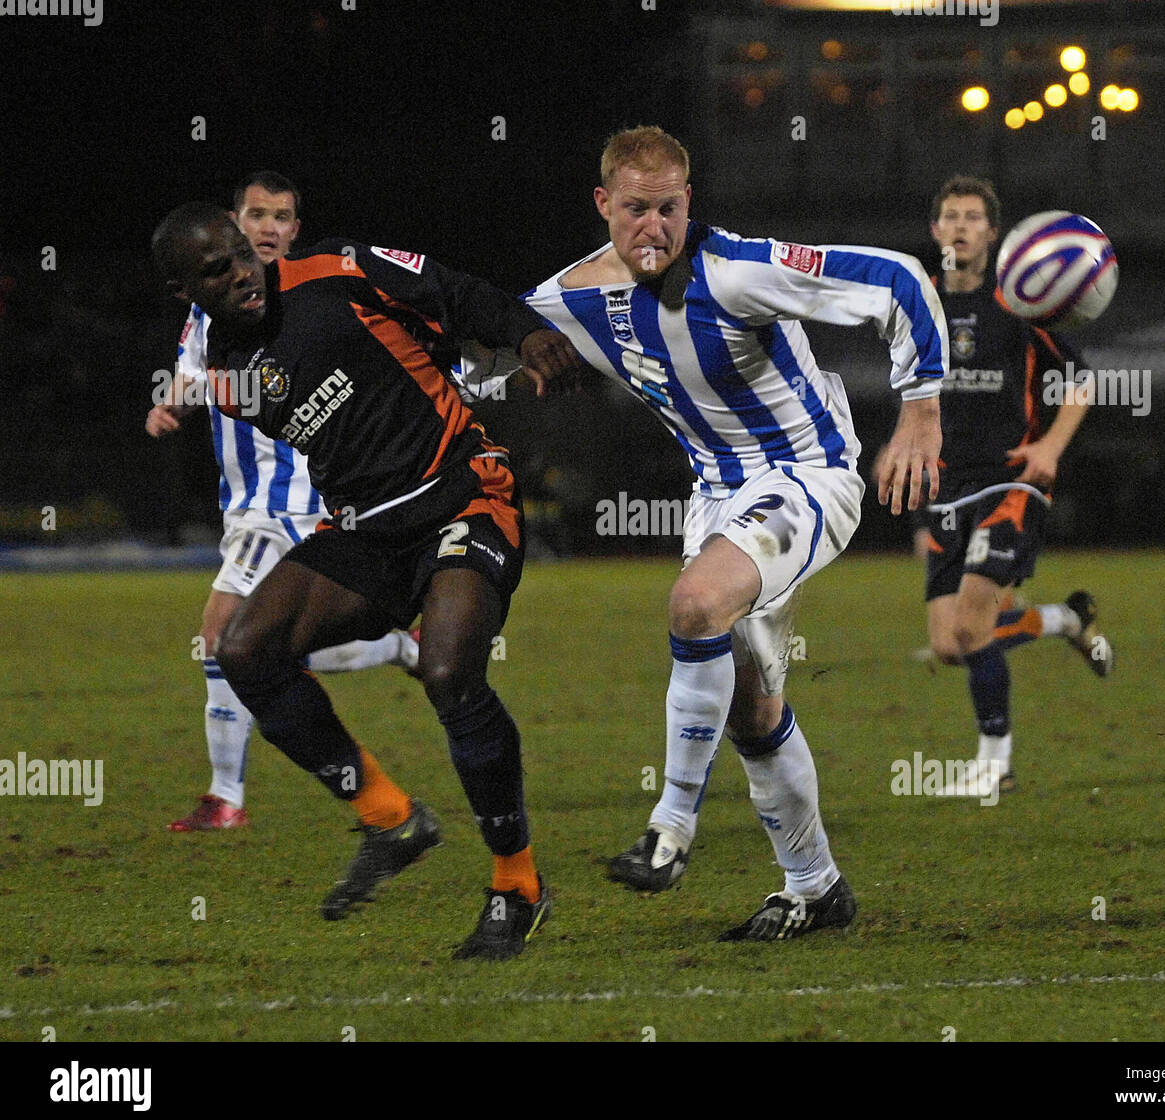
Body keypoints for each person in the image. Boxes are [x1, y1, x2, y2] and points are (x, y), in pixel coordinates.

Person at [520, 126, 948, 940]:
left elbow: (897, 278)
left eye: (670, 209)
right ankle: (815, 887)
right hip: (716, 502)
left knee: (694, 605)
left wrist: (920, 412)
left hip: (808, 477)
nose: (655, 227)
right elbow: (485, 354)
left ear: (691, 205)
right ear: (604, 205)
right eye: (637, 209)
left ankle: (670, 827)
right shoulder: (568, 301)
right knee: (753, 709)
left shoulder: (739, 269)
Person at [150, 201, 583, 959]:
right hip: (366, 528)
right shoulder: (224, 373)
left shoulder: (334, 269)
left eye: (242, 254)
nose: (243, 274)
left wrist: (527, 332)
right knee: (243, 646)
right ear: (186, 292)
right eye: (217, 271)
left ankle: (517, 884)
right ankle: (391, 817)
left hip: (461, 491)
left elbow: (451, 291)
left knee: (448, 670)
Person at [147, 172, 419, 832]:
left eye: (282, 216)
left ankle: (228, 797)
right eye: (257, 214)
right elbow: (190, 373)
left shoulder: (313, 294)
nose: (269, 226)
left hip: (292, 501)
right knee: (255, 643)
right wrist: (173, 403)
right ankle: (396, 648)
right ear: (237, 224)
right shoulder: (210, 310)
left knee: (221, 635)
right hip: (244, 505)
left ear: (296, 230)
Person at [920, 175, 1114, 797]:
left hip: (1012, 482)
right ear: (935, 230)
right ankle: (1063, 619)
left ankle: (994, 765)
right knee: (951, 645)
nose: (960, 227)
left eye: (973, 218)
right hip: (942, 487)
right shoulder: (918, 303)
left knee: (974, 628)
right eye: (950, 216)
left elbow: (1083, 381)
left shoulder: (1021, 303)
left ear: (993, 233)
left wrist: (1050, 448)